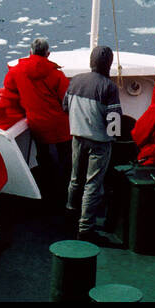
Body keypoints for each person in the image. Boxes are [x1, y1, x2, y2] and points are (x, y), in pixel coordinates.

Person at [62, 45, 123, 243]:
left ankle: (70, 216)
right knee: (92, 185)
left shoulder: (76, 81)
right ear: (108, 64)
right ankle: (85, 228)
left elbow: (65, 106)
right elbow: (113, 120)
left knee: (75, 179)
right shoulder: (109, 87)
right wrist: (115, 137)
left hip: (77, 137)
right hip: (99, 143)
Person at [1, 37, 70, 206]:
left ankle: (46, 193)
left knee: (44, 158)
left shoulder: (17, 71)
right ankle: (65, 193)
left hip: (37, 124)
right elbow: (66, 100)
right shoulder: (57, 75)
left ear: (30, 52)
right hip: (61, 126)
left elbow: (8, 87)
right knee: (66, 160)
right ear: (48, 54)